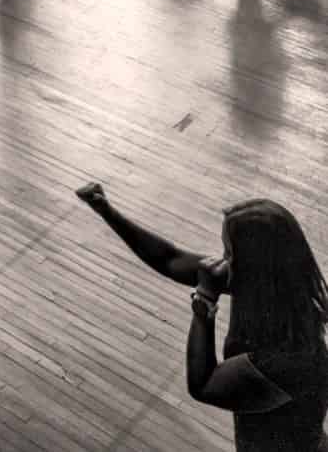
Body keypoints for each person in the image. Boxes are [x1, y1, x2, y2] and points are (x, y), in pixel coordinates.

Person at [76, 182, 328, 450]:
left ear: (254, 262)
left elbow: (203, 384)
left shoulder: (288, 359)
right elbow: (170, 259)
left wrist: (205, 300)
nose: (223, 260)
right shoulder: (277, 284)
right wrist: (106, 211)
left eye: (230, 253)